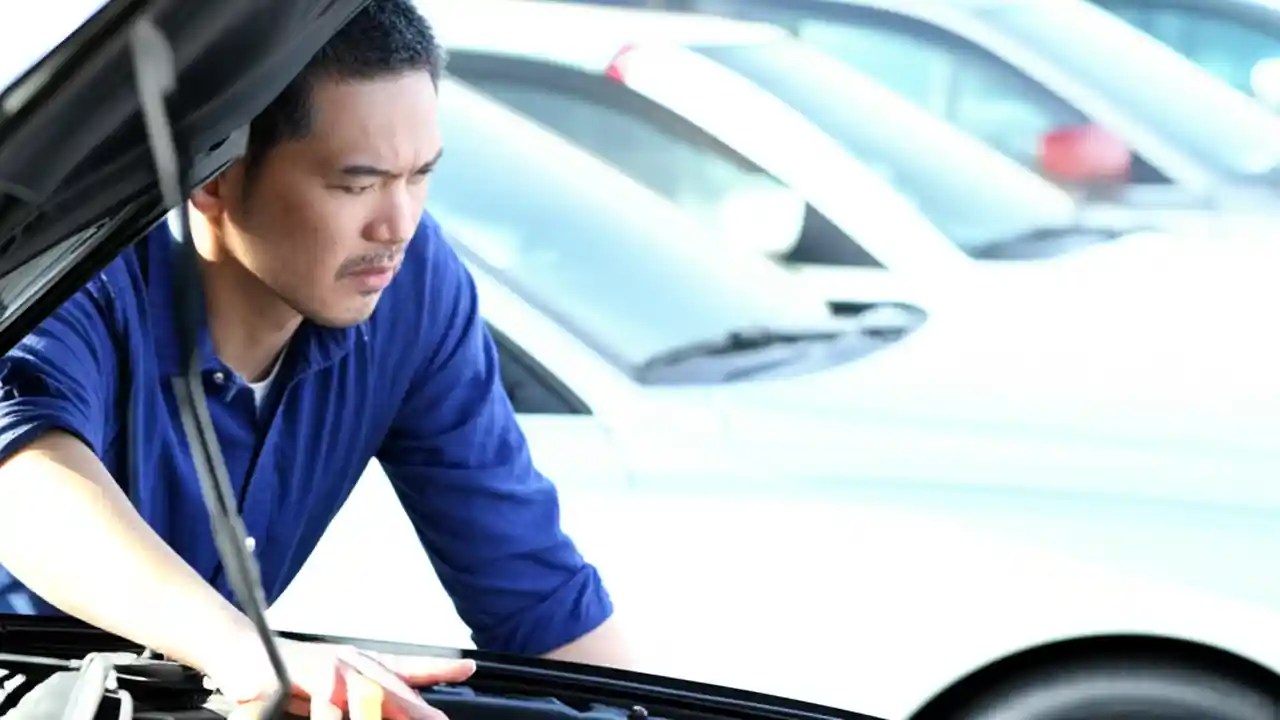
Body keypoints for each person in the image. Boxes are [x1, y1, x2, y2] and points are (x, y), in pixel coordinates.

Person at [0, 0, 631, 714]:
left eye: (420, 175)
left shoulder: (413, 286)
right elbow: (22, 479)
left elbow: (534, 594)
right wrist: (244, 649)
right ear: (212, 176)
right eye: (356, 184)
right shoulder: (83, 271)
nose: (397, 225)